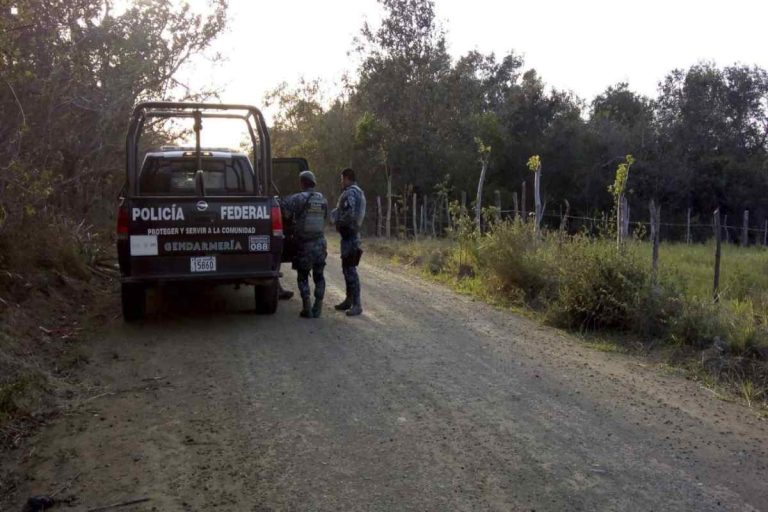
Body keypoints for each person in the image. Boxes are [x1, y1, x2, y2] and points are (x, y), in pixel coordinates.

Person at [281, 170, 328, 318]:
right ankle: (318, 306)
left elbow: (284, 212)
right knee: (319, 276)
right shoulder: (322, 199)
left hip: (304, 245)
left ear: (302, 183)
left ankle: (306, 306)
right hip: (320, 244)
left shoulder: (297, 198)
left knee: (302, 276)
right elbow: (324, 218)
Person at [332, 168, 366, 316]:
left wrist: (337, 220)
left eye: (342, 179)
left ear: (346, 178)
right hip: (352, 235)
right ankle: (349, 300)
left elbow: (349, 213)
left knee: (350, 270)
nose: (341, 182)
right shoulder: (359, 191)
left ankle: (357, 304)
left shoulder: (351, 192)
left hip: (350, 236)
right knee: (347, 269)